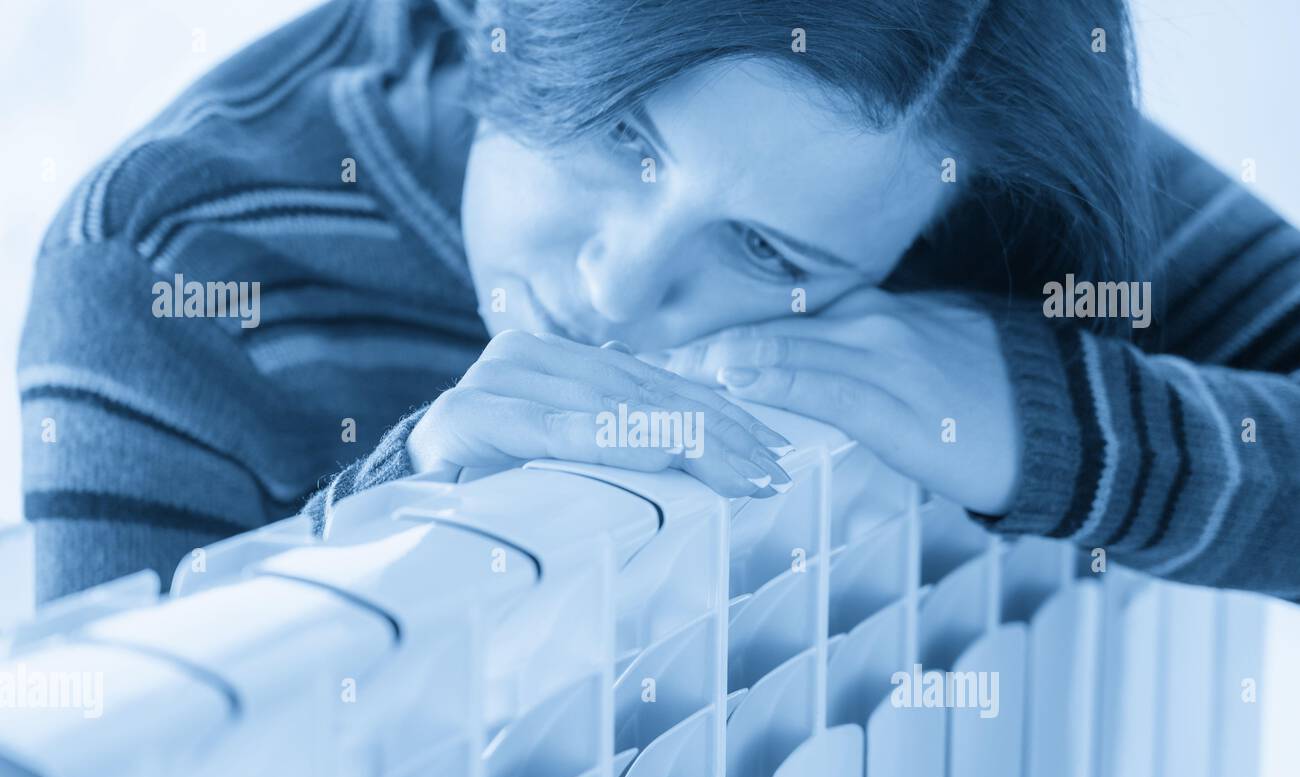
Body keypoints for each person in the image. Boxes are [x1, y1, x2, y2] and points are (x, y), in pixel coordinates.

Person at [20, 0, 1300, 603]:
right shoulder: (164, 257)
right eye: (623, 135)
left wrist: (1059, 429)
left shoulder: (959, 139)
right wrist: (391, 511)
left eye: (762, 247)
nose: (619, 283)